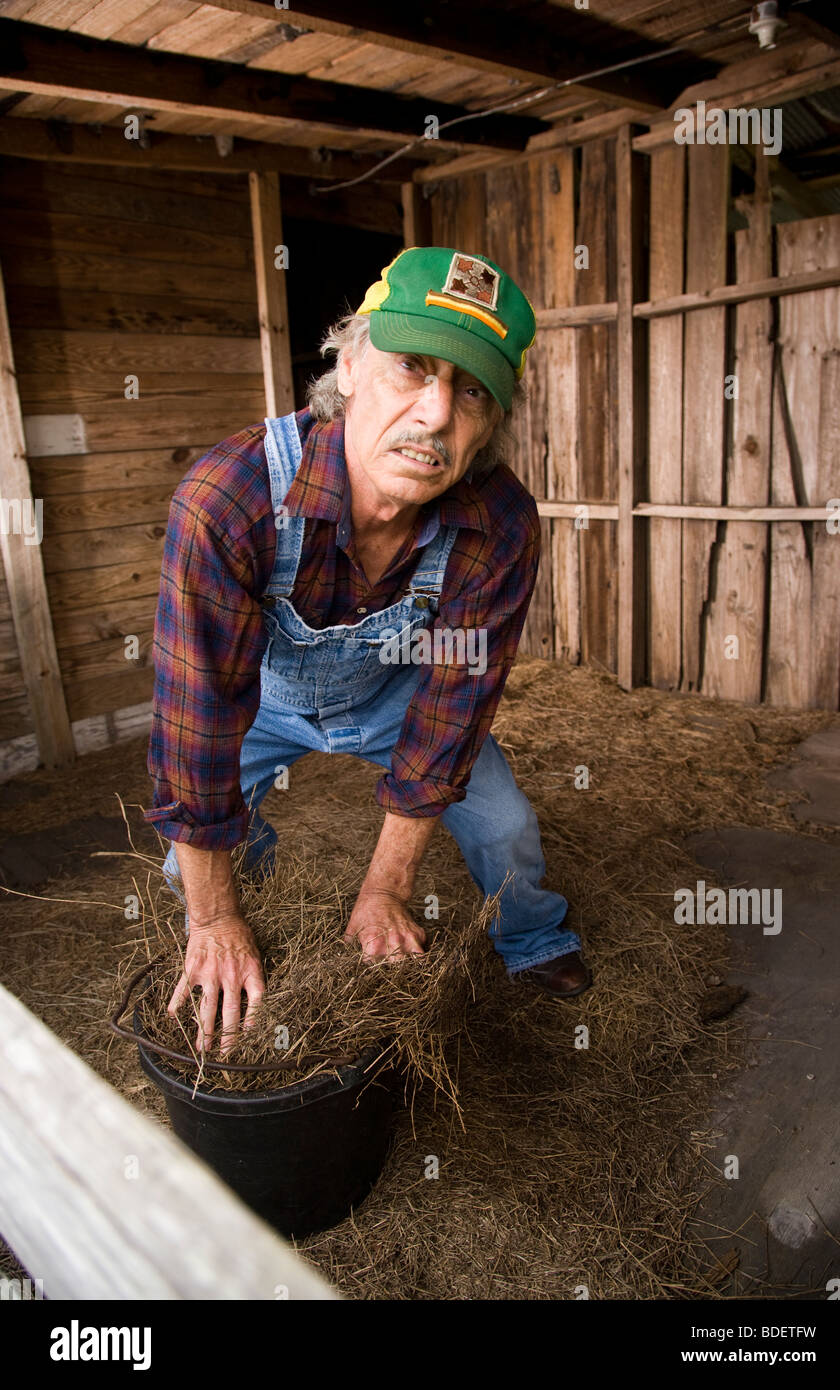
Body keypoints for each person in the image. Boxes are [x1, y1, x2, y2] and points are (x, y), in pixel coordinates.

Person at [144, 247, 592, 1055]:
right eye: (411, 369)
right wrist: (213, 916)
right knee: (193, 875)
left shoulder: (500, 525)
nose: (433, 415)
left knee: (507, 825)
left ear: (491, 421)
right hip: (263, 706)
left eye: (471, 392)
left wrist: (388, 888)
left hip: (397, 702)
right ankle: (262, 927)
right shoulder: (232, 499)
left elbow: (454, 710)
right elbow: (198, 718)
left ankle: (532, 939)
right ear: (348, 363)